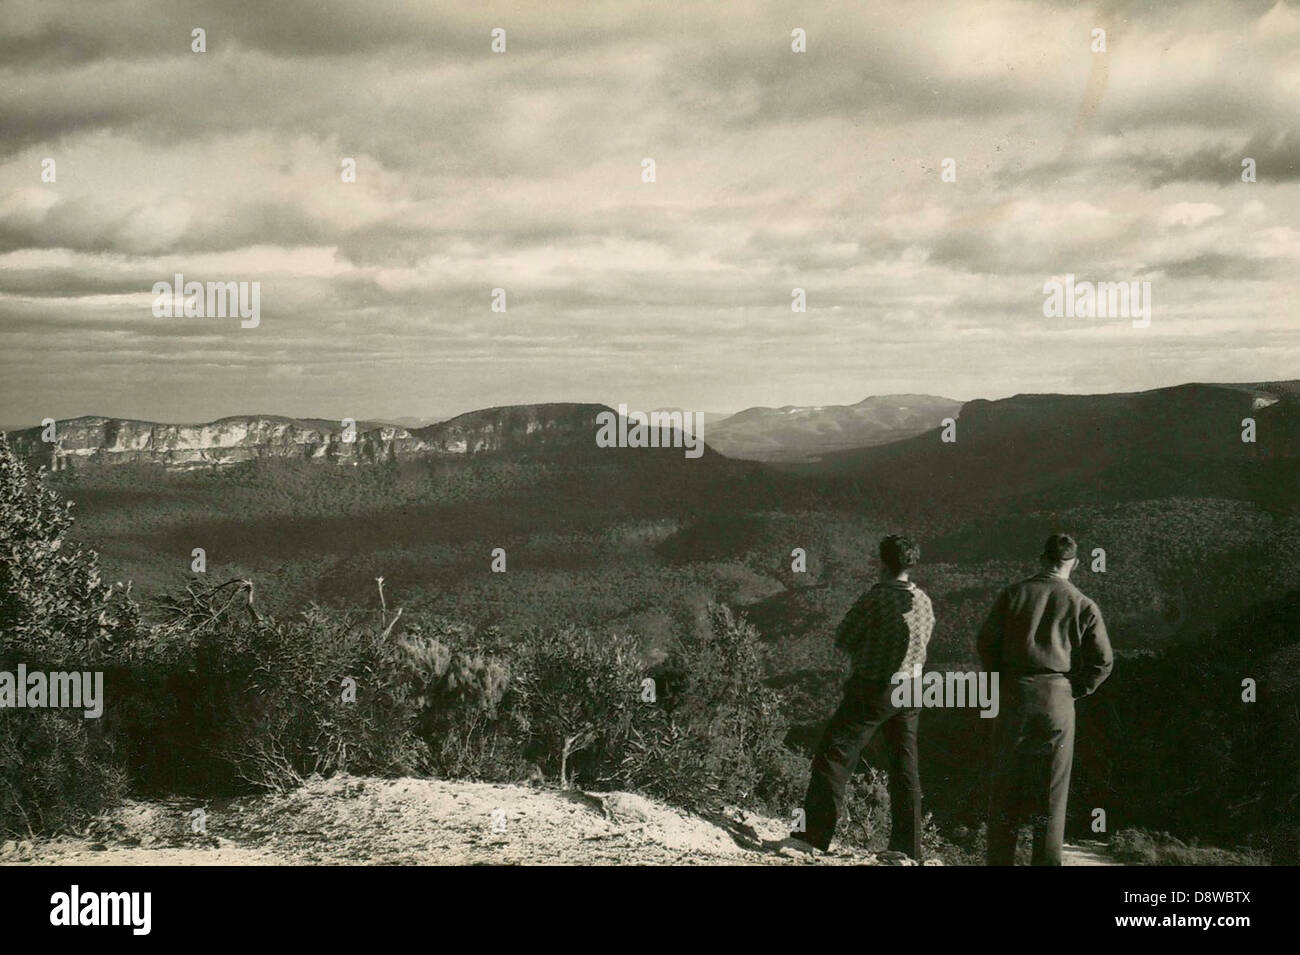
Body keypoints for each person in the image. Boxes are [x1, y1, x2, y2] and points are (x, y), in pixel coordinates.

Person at [785, 535, 934, 858]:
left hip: (874, 688)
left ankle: (812, 837)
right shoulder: (922, 600)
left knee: (834, 755)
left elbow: (845, 637)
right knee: (905, 766)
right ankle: (908, 848)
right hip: (912, 689)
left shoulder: (876, 598)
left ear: (881, 563)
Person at [977, 533, 1114, 866]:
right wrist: (1073, 690)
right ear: (1075, 563)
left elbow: (986, 643)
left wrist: (1002, 682)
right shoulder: (1083, 604)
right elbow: (1103, 662)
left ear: (1041, 559)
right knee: (1052, 797)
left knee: (1005, 789)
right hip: (1057, 700)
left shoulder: (1013, 595)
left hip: (1014, 694)